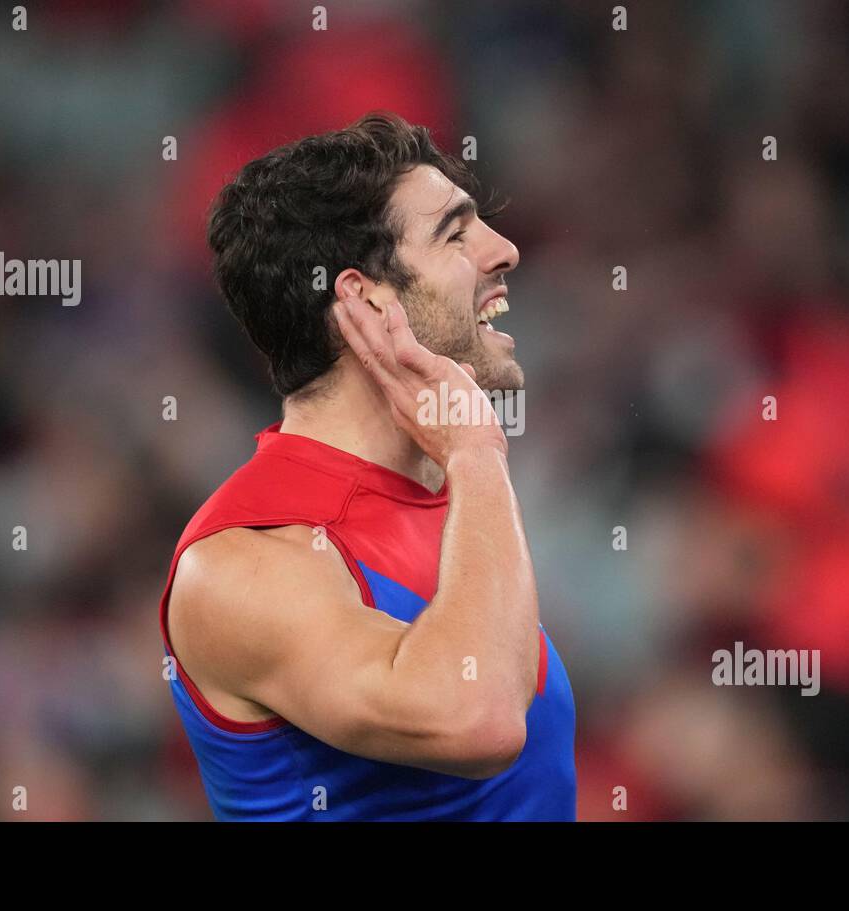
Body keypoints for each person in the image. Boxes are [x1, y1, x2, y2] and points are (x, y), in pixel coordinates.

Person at [157, 112, 576, 820]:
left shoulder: (451, 497)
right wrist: (477, 452)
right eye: (455, 233)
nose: (503, 250)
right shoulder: (242, 558)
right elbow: (477, 718)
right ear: (367, 299)